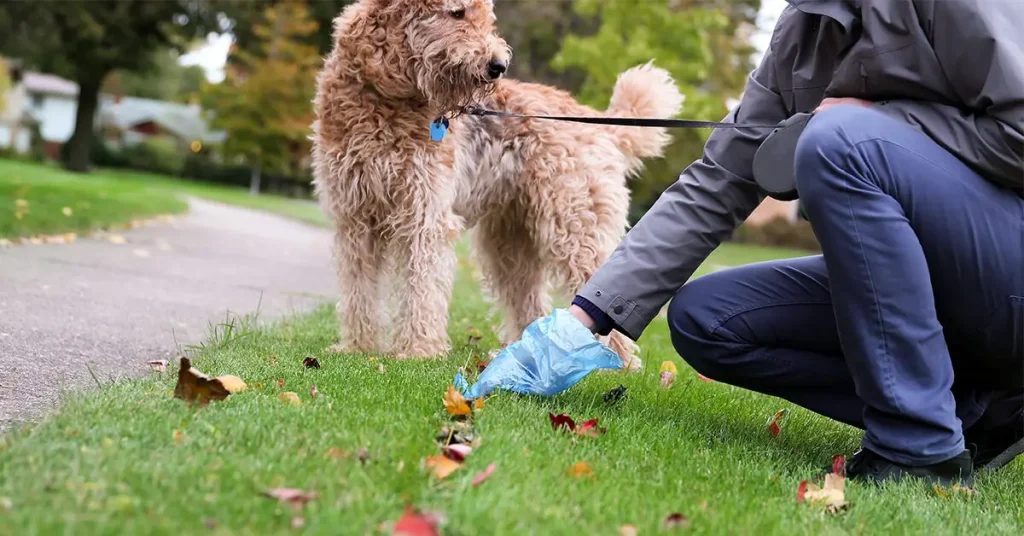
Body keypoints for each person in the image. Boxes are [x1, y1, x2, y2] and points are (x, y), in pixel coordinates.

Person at [564, 0, 1024, 486]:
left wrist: (885, 120)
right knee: (707, 318)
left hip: (1006, 276)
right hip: (939, 286)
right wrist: (580, 321)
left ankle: (919, 448)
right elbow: (721, 177)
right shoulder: (804, 28)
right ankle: (980, 412)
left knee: (840, 141)